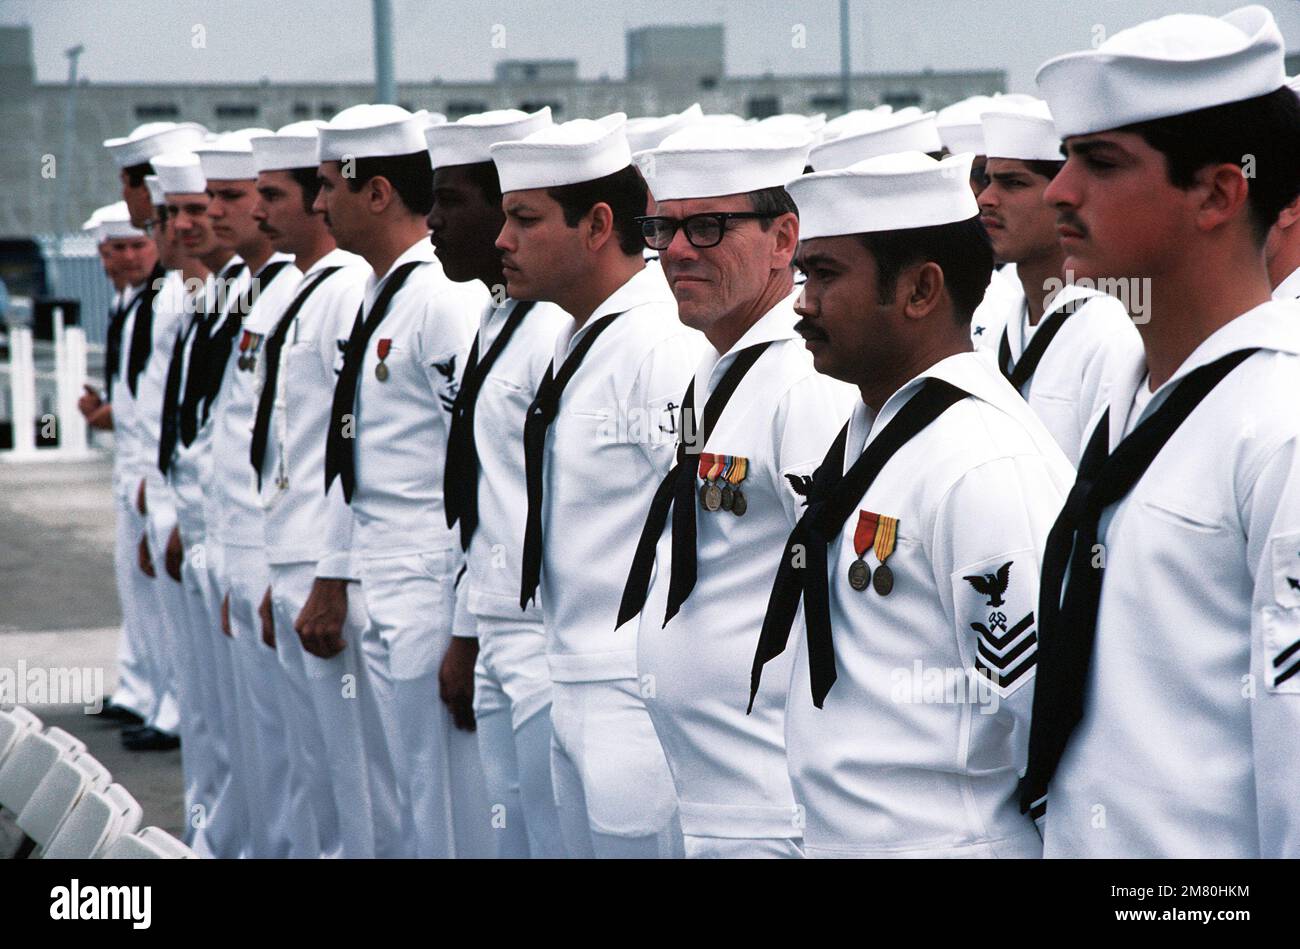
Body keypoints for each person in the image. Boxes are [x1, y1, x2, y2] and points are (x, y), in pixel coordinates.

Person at [1021, 4, 1300, 859]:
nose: (1059, 192)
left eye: (1100, 163)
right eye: (1065, 160)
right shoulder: (1134, 393)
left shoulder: (1280, 424)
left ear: (1219, 191)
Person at [751, 151, 1074, 858]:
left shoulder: (982, 462)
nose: (801, 301)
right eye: (803, 273)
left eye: (826, 275)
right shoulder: (878, 428)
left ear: (921, 289)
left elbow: (1050, 725)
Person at [619, 123, 854, 858]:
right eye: (665, 228)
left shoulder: (805, 383)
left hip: (776, 807)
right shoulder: (720, 369)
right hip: (719, 799)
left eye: (709, 227)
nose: (678, 250)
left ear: (785, 238)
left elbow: (842, 608)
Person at [490, 114, 701, 858]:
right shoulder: (578, 335)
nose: (502, 240)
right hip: (574, 677)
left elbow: (703, 530)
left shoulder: (656, 343)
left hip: (631, 696)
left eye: (524, 218)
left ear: (598, 223)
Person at [319, 104, 492, 858]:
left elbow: (474, 461)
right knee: (420, 797)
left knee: (450, 802)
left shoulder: (441, 298)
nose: (319, 202)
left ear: (378, 192)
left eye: (331, 186)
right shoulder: (379, 292)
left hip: (432, 575)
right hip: (392, 572)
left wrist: (467, 622)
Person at [248, 121, 405, 858]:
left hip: (335, 558)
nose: (257, 210)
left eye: (314, 187)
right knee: (317, 765)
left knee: (364, 779)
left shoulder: (350, 291)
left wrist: (329, 570)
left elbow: (356, 446)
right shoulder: (316, 290)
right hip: (295, 546)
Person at [425, 107, 570, 858]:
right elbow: (486, 492)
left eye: (452, 201)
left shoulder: (552, 330)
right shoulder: (497, 315)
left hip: (549, 633)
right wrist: (468, 628)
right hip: (499, 621)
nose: (433, 222)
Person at [194, 130, 303, 857]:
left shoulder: (304, 291)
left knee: (296, 748)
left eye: (259, 195)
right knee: (245, 730)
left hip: (276, 546)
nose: (243, 212)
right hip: (233, 533)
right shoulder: (248, 293)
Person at [153, 148, 250, 858]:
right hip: (205, 527)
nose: (196, 221)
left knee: (256, 731)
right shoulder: (210, 297)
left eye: (210, 202)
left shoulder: (247, 296)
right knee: (213, 713)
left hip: (239, 536)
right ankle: (213, 832)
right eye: (180, 210)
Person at [974, 99, 1140, 463]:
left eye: (1013, 183)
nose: (986, 199)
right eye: (987, 181)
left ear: (1066, 197)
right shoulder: (997, 321)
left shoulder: (1109, 334)